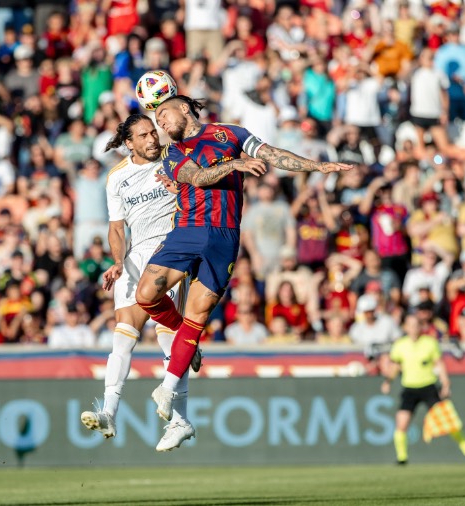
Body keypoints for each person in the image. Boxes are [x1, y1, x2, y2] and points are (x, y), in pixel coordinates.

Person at [136, 95, 351, 421]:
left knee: (199, 314)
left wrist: (316, 166)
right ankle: (186, 341)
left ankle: (166, 389)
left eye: (163, 114)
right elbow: (197, 177)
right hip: (189, 229)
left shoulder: (231, 133)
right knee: (146, 295)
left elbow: (273, 155)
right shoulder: (172, 152)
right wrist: (233, 165)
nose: (160, 124)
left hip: (226, 236)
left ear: (184, 108)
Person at [79, 115, 197, 452]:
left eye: (152, 132)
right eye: (143, 135)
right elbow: (116, 228)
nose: (152, 139)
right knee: (123, 334)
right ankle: (109, 412)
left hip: (172, 249)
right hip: (135, 254)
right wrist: (117, 261)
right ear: (128, 143)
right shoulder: (116, 177)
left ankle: (179, 419)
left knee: (166, 335)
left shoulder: (174, 158)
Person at [381, 314, 465, 465]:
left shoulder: (429, 343)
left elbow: (439, 364)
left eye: (416, 325)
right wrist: (388, 381)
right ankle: (402, 458)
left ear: (421, 326)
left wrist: (445, 383)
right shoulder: (400, 345)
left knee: (448, 422)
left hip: (428, 387)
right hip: (409, 388)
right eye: (410, 325)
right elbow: (395, 365)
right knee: (401, 422)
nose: (413, 328)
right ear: (405, 327)